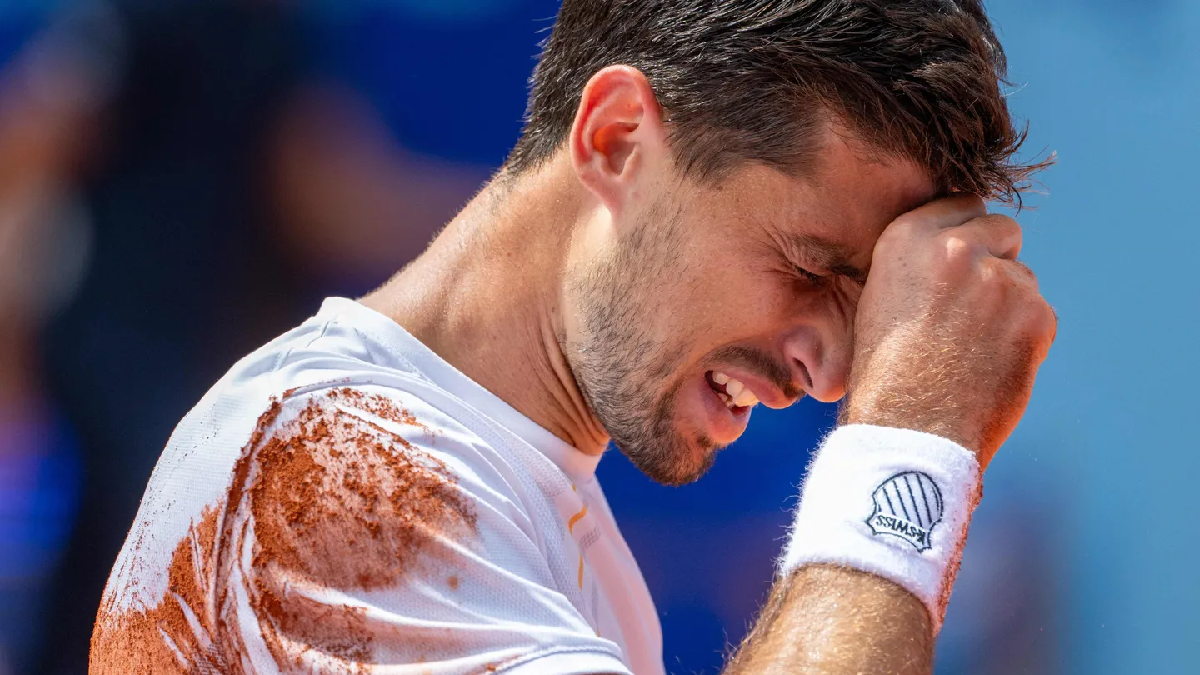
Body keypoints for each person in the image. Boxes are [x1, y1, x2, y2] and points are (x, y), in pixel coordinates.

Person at [89, 0, 1057, 673]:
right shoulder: (332, 476)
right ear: (617, 138)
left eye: (866, 311)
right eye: (809, 267)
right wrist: (911, 434)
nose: (834, 370)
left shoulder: (516, 505)